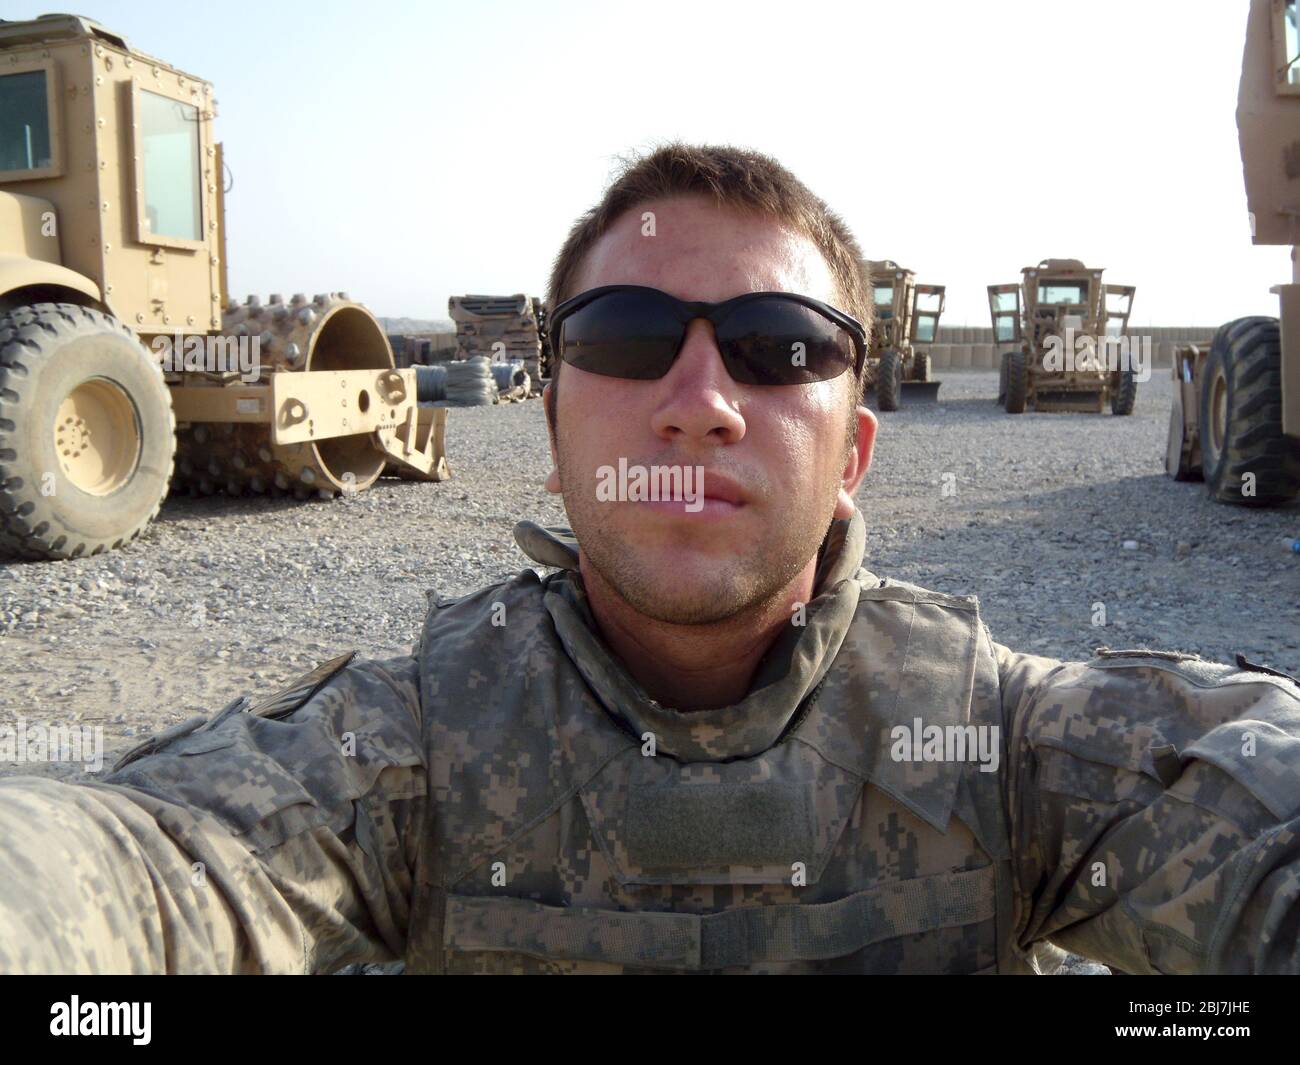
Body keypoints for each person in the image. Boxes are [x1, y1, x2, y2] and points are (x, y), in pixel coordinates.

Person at [0, 143, 1296, 975]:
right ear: (554, 438)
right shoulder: (418, 748)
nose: (700, 400)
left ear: (853, 452)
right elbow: (151, 860)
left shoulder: (1003, 744)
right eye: (625, 336)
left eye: (781, 345)